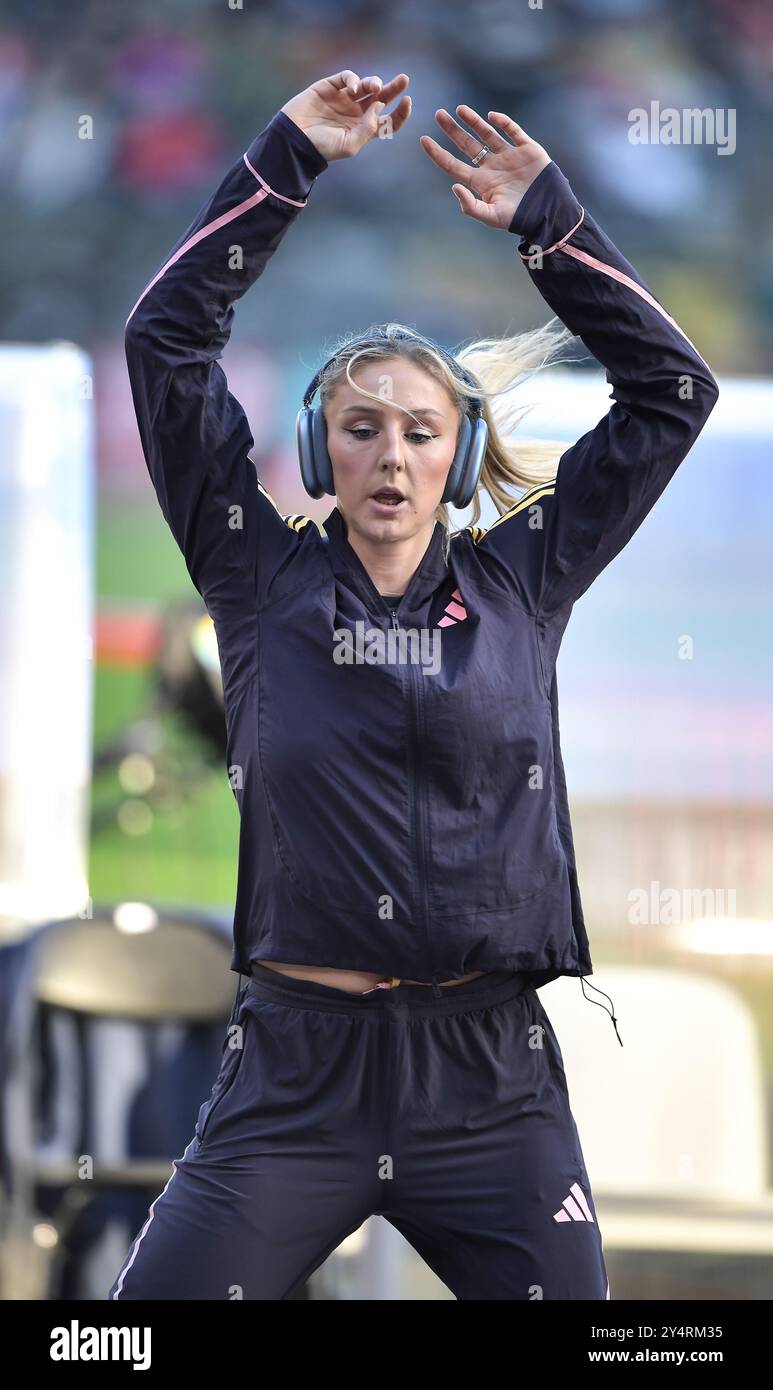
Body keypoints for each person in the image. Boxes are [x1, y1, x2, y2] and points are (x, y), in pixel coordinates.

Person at [108, 69, 718, 1301]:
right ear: (319, 451)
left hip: (488, 1079)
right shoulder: (254, 574)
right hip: (296, 1071)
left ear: (459, 455)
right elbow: (164, 342)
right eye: (360, 426)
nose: (390, 453)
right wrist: (287, 158)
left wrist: (551, 224)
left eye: (421, 430)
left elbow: (672, 393)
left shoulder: (525, 580)